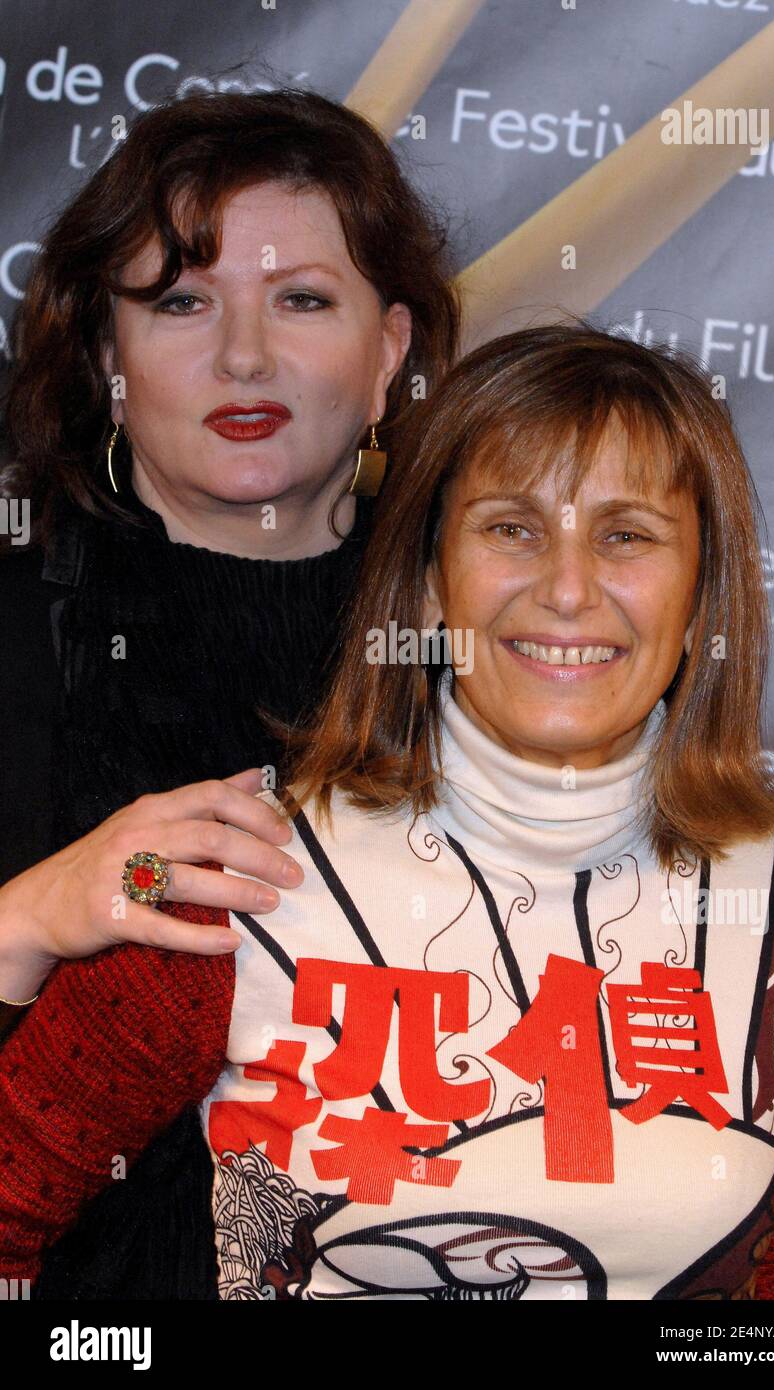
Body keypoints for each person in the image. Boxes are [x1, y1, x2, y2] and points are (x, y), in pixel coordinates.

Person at [1, 323, 774, 1300]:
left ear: (700, 600)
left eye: (625, 535)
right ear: (433, 584)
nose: (567, 590)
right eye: (511, 528)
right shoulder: (246, 879)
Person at [0, 85, 460, 1298]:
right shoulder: (17, 613)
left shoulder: (501, 630)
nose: (243, 355)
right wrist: (35, 917)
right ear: (104, 354)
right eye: (181, 303)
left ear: (390, 354)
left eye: (302, 300)